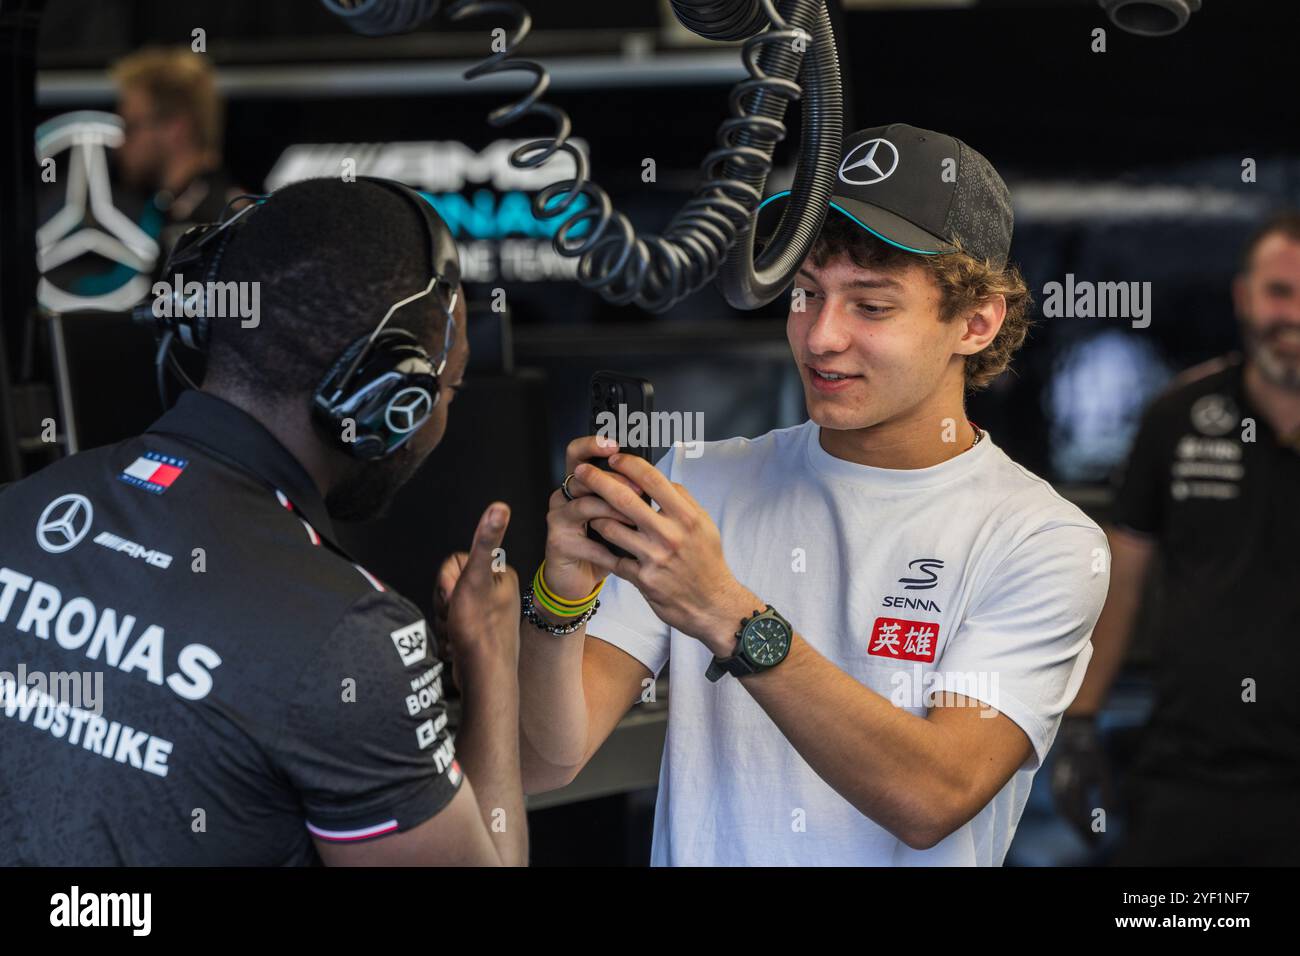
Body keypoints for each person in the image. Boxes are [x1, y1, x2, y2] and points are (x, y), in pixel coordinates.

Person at [517, 123, 1111, 866]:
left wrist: (725, 611)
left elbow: (934, 796)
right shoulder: (698, 481)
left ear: (975, 321)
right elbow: (545, 762)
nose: (821, 336)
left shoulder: (1043, 540)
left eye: (870, 305)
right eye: (805, 294)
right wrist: (560, 598)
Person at [0, 177, 527, 866]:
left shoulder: (20, 506)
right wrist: (491, 662)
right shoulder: (352, 642)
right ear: (383, 400)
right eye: (446, 389)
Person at [1054, 210, 1300, 865]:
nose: (1293, 316)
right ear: (1244, 297)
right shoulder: (1180, 416)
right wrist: (1079, 723)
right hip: (1192, 767)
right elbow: (1124, 575)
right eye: (1280, 292)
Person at [111, 47, 245, 245]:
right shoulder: (169, 212)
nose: (120, 144)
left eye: (131, 127)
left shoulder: (221, 224)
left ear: (174, 127)